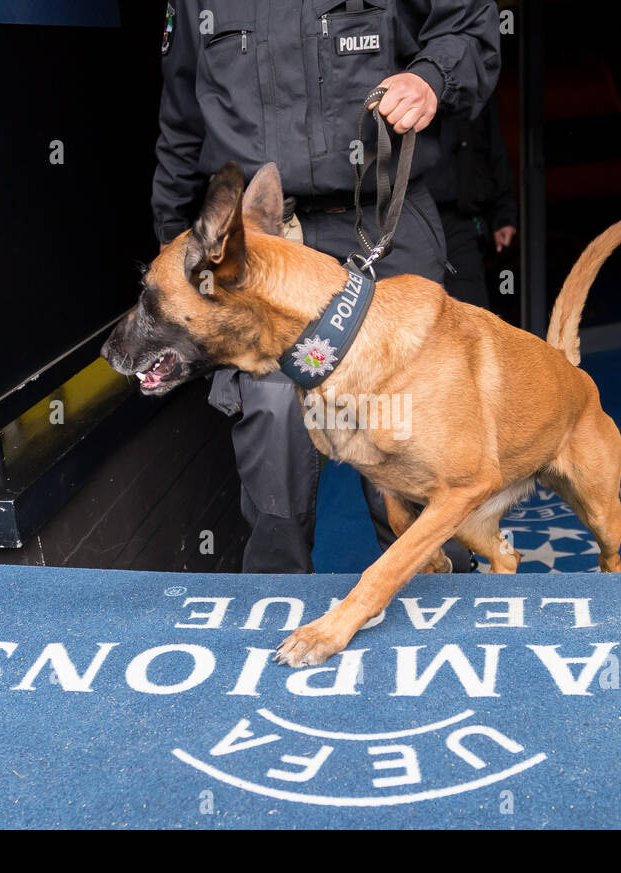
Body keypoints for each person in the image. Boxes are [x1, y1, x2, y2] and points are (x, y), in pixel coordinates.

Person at [153, 0, 501, 574]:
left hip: (379, 226)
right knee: (273, 427)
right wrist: (175, 256)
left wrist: (430, 77)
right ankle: (276, 610)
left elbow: (467, 23)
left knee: (414, 433)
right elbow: (181, 123)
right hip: (260, 244)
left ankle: (446, 614)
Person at [425, 94, 519, 311]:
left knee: (471, 308)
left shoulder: (476, 83)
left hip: (463, 216)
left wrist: (504, 214)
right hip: (412, 216)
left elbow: (495, 149)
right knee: (419, 307)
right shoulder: (400, 74)